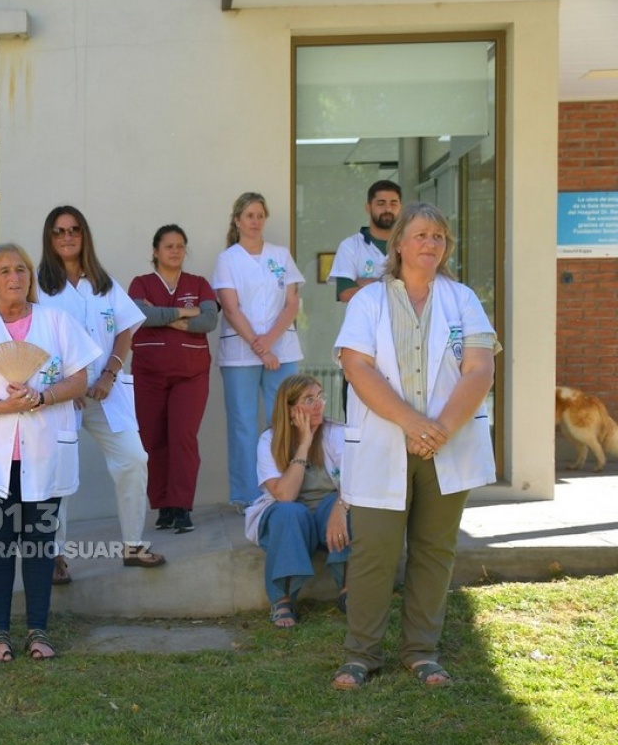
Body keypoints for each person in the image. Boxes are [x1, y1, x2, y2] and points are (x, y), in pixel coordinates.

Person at [331, 201, 499, 690]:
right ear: (398, 242)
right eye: (422, 234)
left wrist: (438, 429)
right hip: (386, 442)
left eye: (439, 237)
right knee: (374, 553)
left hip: (447, 445)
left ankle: (422, 652)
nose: (431, 244)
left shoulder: (463, 298)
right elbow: (357, 367)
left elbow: (480, 368)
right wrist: (411, 423)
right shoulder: (368, 301)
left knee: (434, 550)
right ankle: (360, 655)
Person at [0, 243, 99, 663]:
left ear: (30, 276)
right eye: (5, 271)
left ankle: (38, 631)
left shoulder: (56, 321)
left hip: (44, 451)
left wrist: (43, 395)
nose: (15, 278)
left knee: (40, 543)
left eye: (21, 270)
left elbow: (81, 378)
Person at [36, 205, 165, 572]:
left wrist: (111, 372)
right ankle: (54, 556)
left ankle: (134, 546)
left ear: (84, 235)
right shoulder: (39, 286)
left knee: (134, 459)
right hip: (64, 395)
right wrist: (66, 384)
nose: (67, 237)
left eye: (74, 230)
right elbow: (36, 340)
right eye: (59, 231)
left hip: (107, 391)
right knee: (58, 470)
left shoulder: (103, 282)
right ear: (49, 237)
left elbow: (125, 327)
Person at [212, 192, 305, 509]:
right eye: (249, 215)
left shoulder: (281, 255)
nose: (255, 221)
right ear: (237, 220)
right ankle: (247, 495)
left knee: (287, 421)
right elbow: (231, 308)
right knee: (243, 424)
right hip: (241, 354)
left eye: (260, 215)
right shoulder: (228, 260)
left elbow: (292, 303)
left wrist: (269, 342)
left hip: (283, 350)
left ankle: (286, 488)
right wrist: (260, 346)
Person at [128, 224, 220, 534]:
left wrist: (166, 316)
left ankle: (181, 507)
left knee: (182, 437)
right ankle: (163, 506)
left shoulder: (199, 283)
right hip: (149, 373)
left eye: (181, 245)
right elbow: (142, 316)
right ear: (155, 252)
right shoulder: (140, 284)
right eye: (169, 246)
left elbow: (209, 320)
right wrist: (184, 312)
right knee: (153, 439)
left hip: (190, 374)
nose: (176, 250)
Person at [243, 374, 350, 628]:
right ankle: (283, 599)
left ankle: (349, 590)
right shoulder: (269, 440)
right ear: (290, 409)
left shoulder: (337, 433)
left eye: (320, 397)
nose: (318, 405)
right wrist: (304, 444)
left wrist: (340, 506)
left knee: (350, 508)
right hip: (290, 520)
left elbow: (355, 482)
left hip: (327, 513)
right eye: (308, 399)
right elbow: (284, 495)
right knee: (289, 512)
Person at [328, 180, 403, 303]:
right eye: (381, 203)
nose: (388, 209)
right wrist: (397, 286)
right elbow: (346, 294)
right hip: (364, 322)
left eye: (394, 203)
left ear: (401, 207)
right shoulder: (350, 246)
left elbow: (420, 290)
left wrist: (366, 284)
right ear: (368, 207)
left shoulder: (412, 245)